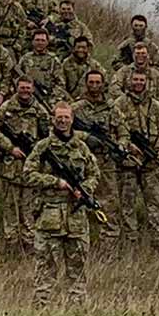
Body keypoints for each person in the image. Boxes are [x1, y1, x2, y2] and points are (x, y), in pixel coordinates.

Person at [22, 103, 97, 305]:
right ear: (53, 120)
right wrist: (55, 182)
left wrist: (84, 189)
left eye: (66, 117)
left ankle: (77, 310)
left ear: (72, 119)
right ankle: (41, 309)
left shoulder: (81, 147)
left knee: (77, 267)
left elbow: (94, 174)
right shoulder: (43, 147)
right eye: (59, 118)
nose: (63, 121)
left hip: (75, 217)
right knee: (45, 268)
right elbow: (27, 175)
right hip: (49, 216)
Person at [112, 70, 159, 255]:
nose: (138, 82)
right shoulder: (119, 104)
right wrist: (127, 146)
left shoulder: (155, 106)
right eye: (135, 79)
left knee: (156, 205)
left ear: (147, 82)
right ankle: (130, 247)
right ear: (129, 81)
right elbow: (113, 131)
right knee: (127, 206)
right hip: (128, 164)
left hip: (151, 164)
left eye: (141, 79)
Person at [0, 78, 51, 253]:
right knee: (10, 206)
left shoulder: (39, 110)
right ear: (16, 88)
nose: (25, 91)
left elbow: (47, 135)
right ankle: (11, 243)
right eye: (22, 87)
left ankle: (29, 242)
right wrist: (10, 148)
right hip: (11, 166)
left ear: (32, 89)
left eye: (28, 88)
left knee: (29, 207)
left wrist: (37, 151)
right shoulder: (7, 107)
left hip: (30, 166)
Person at [67, 69, 126, 245]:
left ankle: (109, 246)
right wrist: (86, 137)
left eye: (97, 82)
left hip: (106, 162)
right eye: (91, 82)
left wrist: (121, 144)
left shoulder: (111, 107)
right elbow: (62, 131)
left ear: (103, 84)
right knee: (79, 200)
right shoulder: (76, 108)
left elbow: (123, 130)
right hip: (82, 163)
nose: (94, 86)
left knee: (110, 204)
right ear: (86, 84)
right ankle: (79, 242)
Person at [20, 28, 65, 104]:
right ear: (33, 41)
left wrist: (54, 100)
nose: (40, 43)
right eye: (37, 40)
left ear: (47, 42)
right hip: (27, 98)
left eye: (42, 40)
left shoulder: (53, 60)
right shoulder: (25, 59)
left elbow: (60, 84)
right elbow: (17, 80)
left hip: (48, 99)